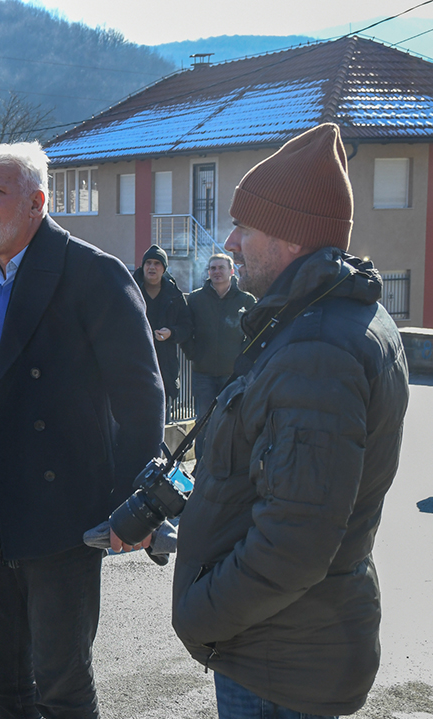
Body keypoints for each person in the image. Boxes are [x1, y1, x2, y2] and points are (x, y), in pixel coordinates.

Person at [171, 123, 409, 718]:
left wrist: (199, 614)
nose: (231, 242)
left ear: (292, 238)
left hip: (278, 661)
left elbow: (295, 542)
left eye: (245, 227)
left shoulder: (317, 348)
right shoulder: (326, 317)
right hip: (290, 647)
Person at [0, 142, 165, 719]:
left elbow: (141, 398)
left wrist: (131, 505)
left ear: (37, 202)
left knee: (61, 687)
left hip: (63, 515)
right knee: (0, 682)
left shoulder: (93, 274)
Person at [181, 253, 256, 460]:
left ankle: (227, 465)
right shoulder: (195, 299)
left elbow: (255, 333)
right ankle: (201, 467)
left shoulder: (246, 299)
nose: (216, 272)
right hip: (203, 373)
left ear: (231, 271)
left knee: (232, 421)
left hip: (234, 375)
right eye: (212, 268)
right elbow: (185, 329)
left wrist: (243, 358)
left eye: (221, 267)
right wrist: (193, 353)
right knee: (203, 422)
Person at [132, 244, 192, 419]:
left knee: (159, 419)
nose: (152, 267)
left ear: (164, 268)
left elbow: (187, 326)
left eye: (157, 263)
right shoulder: (130, 290)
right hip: (134, 363)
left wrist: (171, 333)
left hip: (164, 366)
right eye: (148, 262)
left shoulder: (174, 295)